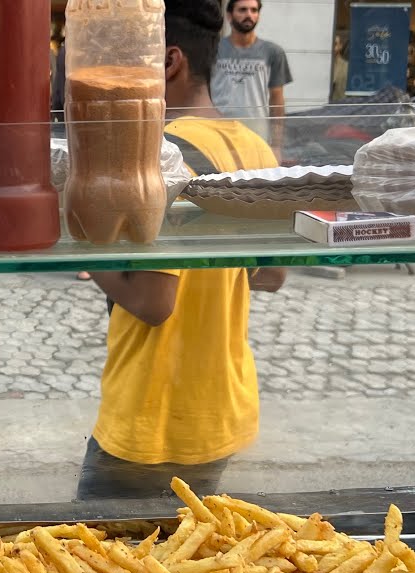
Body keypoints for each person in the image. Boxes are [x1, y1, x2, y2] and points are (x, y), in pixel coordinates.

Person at [78, 0, 287, 500]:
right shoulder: (255, 147)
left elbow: (154, 302)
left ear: (170, 61)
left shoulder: (157, 154)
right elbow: (272, 274)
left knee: (103, 567)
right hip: (220, 407)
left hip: (150, 416)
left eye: (130, 67)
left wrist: (84, 245)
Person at [210, 0, 291, 158]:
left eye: (254, 10)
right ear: (229, 15)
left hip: (257, 136)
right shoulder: (213, 49)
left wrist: (276, 145)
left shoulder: (273, 52)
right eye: (242, 10)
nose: (249, 15)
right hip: (219, 134)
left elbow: (277, 101)